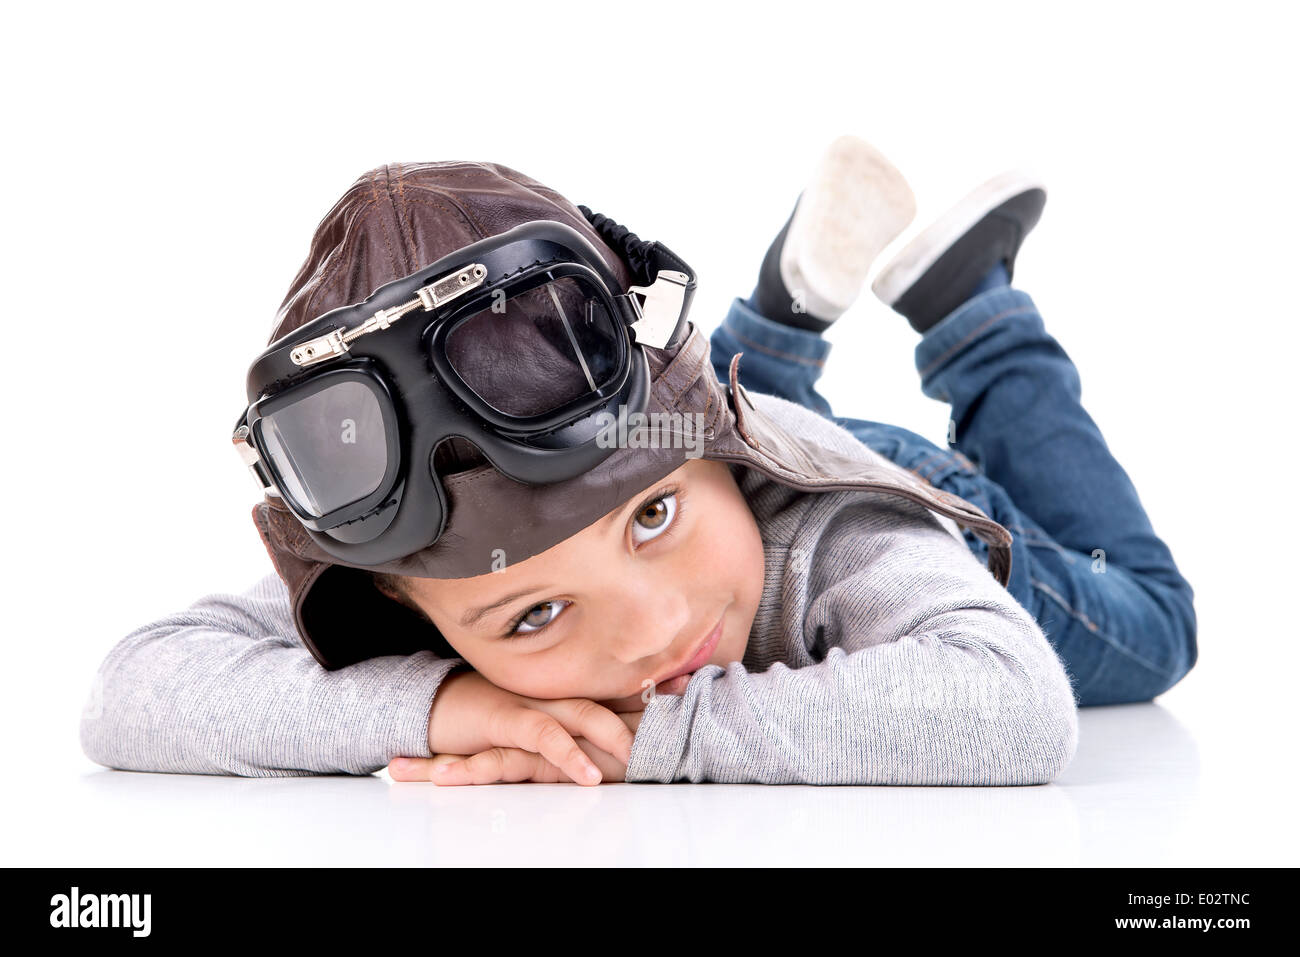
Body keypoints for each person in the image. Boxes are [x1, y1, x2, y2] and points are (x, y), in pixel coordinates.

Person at [79, 139, 1188, 787]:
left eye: (647, 524)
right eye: (530, 618)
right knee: (656, 457)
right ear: (402, 599)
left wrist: (644, 738)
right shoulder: (436, 569)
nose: (653, 632)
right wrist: (446, 708)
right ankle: (779, 328)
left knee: (1154, 624)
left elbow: (1014, 704)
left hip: (886, 492)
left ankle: (972, 308)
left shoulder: (845, 543)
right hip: (697, 450)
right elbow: (128, 694)